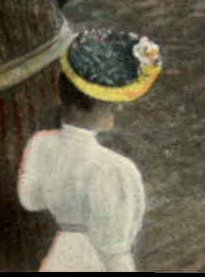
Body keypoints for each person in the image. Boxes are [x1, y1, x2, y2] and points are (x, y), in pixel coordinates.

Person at [17, 28, 160, 271]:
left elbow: (30, 200)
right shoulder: (114, 169)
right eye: (114, 105)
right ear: (99, 104)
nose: (119, 109)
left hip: (59, 257)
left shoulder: (40, 143)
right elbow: (114, 253)